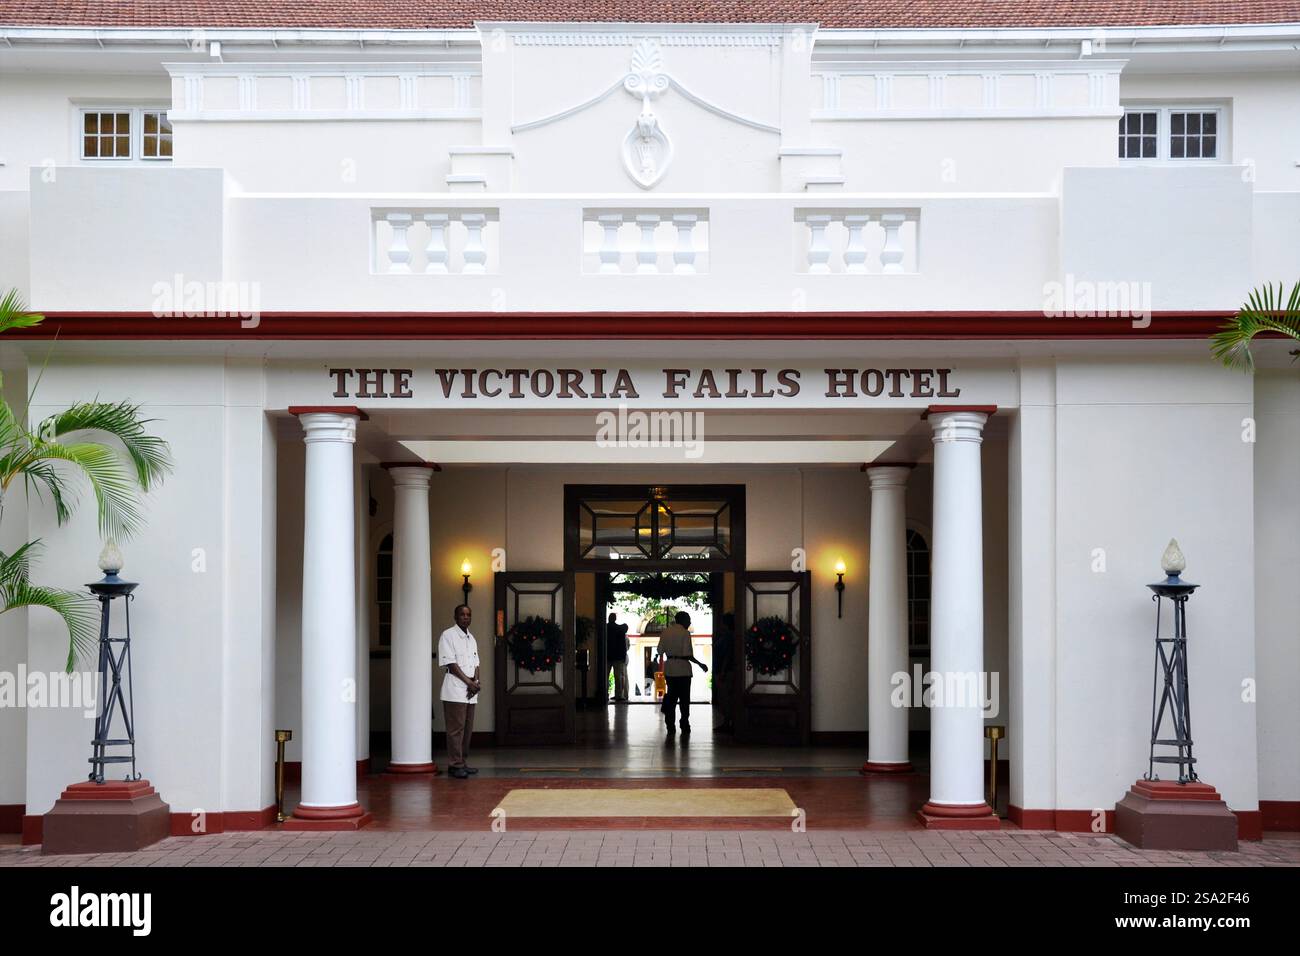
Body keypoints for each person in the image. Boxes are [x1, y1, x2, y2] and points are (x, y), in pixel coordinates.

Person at [437, 604, 480, 779]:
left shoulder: (472, 638)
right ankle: (455, 765)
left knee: (468, 729)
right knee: (456, 729)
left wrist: (476, 682)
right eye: (462, 614)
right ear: (455, 617)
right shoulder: (448, 635)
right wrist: (468, 682)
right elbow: (451, 664)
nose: (465, 617)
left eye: (468, 614)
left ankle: (463, 761)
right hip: (455, 688)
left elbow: (477, 663)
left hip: (470, 689)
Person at [656, 610, 707, 735]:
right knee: (684, 699)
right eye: (688, 619)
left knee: (671, 698)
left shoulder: (665, 632)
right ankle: (684, 722)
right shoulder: (685, 633)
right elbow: (687, 655)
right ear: (683, 620)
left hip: (670, 670)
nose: (690, 622)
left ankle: (670, 724)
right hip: (683, 671)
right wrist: (700, 664)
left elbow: (659, 650)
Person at [605, 612, 630, 702]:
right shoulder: (620, 629)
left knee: (605, 676)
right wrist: (623, 656)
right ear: (615, 619)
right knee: (618, 677)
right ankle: (619, 695)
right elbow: (623, 645)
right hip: (618, 657)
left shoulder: (605, 628)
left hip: (607, 656)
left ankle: (605, 694)